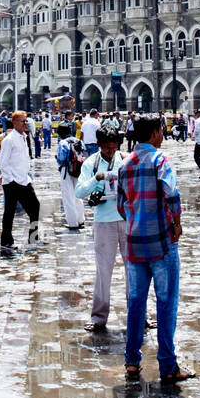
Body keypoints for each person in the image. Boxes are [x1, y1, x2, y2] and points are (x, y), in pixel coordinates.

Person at [117, 117, 194, 383]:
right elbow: (171, 194)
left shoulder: (124, 164)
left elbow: (120, 204)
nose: (163, 135)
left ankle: (131, 361)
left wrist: (137, 218)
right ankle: (167, 365)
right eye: (161, 131)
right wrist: (177, 222)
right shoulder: (160, 160)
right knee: (166, 302)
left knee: (136, 301)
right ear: (153, 134)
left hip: (135, 242)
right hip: (161, 241)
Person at [75, 127, 127, 332]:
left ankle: (139, 314)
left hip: (126, 218)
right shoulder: (91, 163)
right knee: (103, 271)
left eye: (114, 148)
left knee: (134, 270)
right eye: (107, 149)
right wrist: (96, 179)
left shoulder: (124, 159)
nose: (110, 152)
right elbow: (79, 191)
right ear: (99, 146)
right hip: (104, 221)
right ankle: (98, 316)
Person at [0, 111, 41, 249]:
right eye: (22, 121)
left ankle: (33, 238)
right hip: (12, 182)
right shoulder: (9, 140)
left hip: (24, 180)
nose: (25, 124)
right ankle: (6, 241)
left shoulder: (24, 137)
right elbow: (3, 163)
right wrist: (10, 179)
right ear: (15, 123)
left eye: (26, 121)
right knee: (9, 212)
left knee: (35, 207)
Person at [54, 122, 85, 230]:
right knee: (78, 195)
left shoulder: (63, 143)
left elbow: (61, 159)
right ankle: (81, 220)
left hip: (66, 171)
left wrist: (56, 158)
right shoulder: (78, 141)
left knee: (68, 197)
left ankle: (72, 222)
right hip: (79, 170)